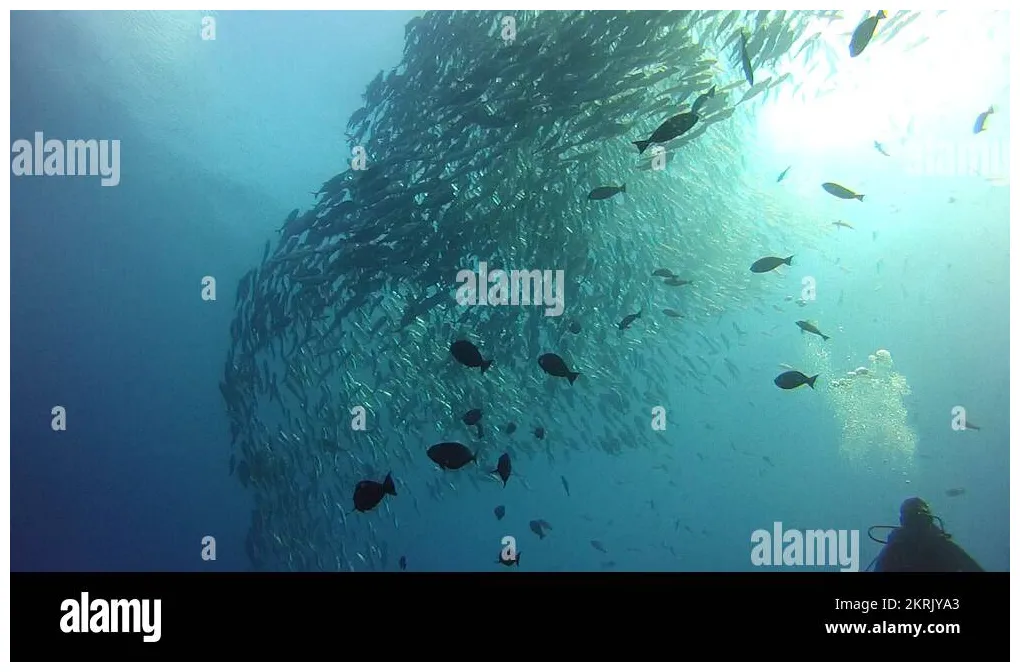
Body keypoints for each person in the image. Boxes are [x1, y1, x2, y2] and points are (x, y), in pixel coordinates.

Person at [869, 497, 983, 572]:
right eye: (912, 520)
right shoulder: (894, 550)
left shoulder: (893, 550)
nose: (916, 528)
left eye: (920, 520)